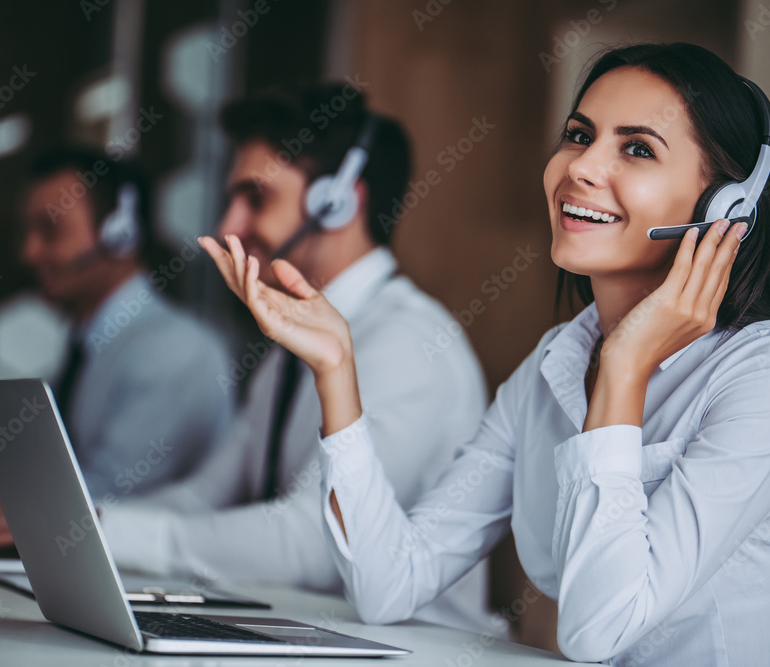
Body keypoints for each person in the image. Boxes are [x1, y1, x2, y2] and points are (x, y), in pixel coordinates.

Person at [200, 44, 770, 666]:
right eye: (578, 135)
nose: (581, 168)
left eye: (636, 148)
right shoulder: (556, 363)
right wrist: (336, 368)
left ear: (726, 206)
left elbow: (599, 629)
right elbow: (389, 583)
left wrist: (624, 371)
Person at [100, 84, 498, 635]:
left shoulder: (407, 343)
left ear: (337, 202)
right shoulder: (285, 354)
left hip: (417, 653)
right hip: (310, 635)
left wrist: (114, 535)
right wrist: (88, 525)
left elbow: (311, 541)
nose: (229, 226)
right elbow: (206, 494)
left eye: (256, 198)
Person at [0, 148, 233, 555]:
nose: (29, 253)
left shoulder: (176, 350)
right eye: (26, 233)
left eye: (51, 230)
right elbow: (18, 475)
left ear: (120, 232)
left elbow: (104, 493)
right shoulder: (88, 347)